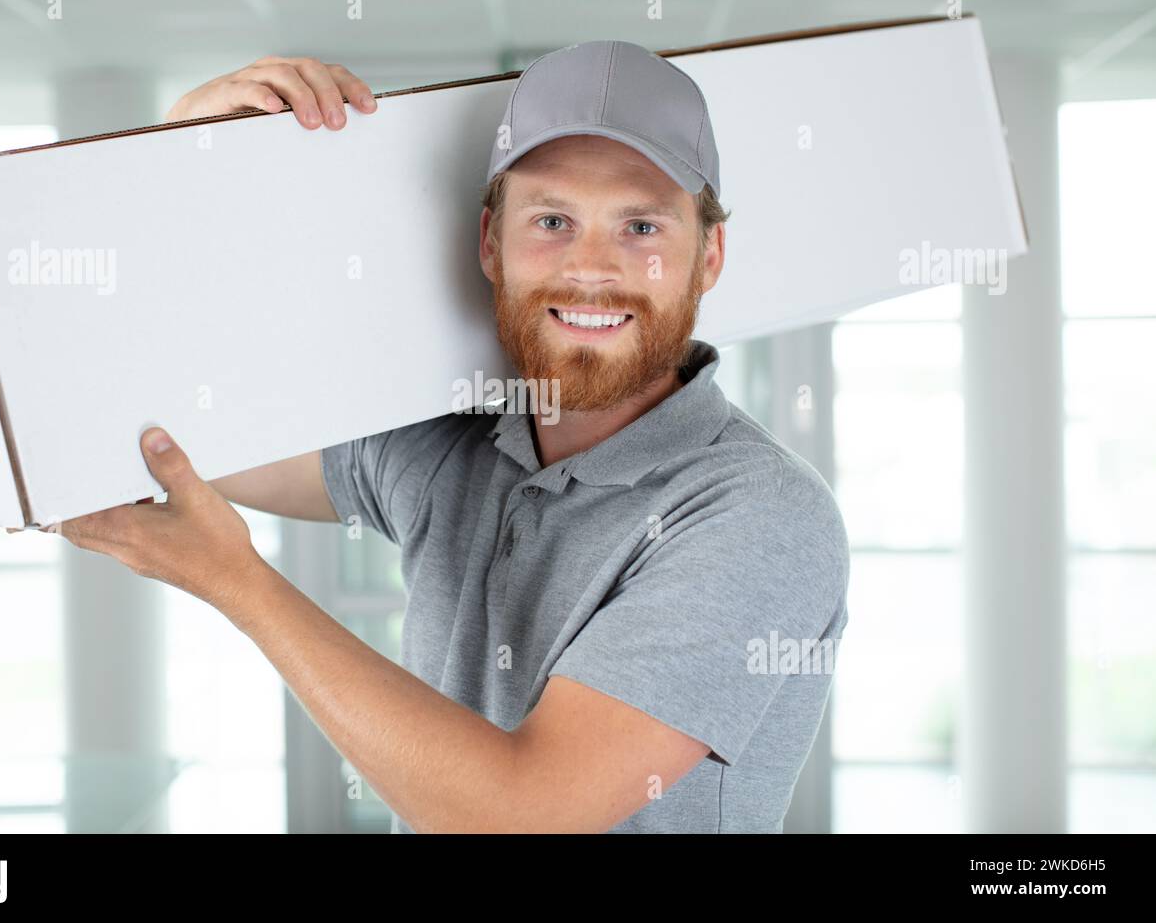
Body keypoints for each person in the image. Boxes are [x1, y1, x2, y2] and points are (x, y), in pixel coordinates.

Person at [54, 42, 850, 833]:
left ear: (706, 256)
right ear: (490, 246)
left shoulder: (759, 513)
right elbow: (167, 427)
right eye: (551, 219)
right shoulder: (449, 444)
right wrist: (174, 165)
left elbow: (522, 812)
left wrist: (242, 585)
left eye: (641, 225)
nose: (592, 268)